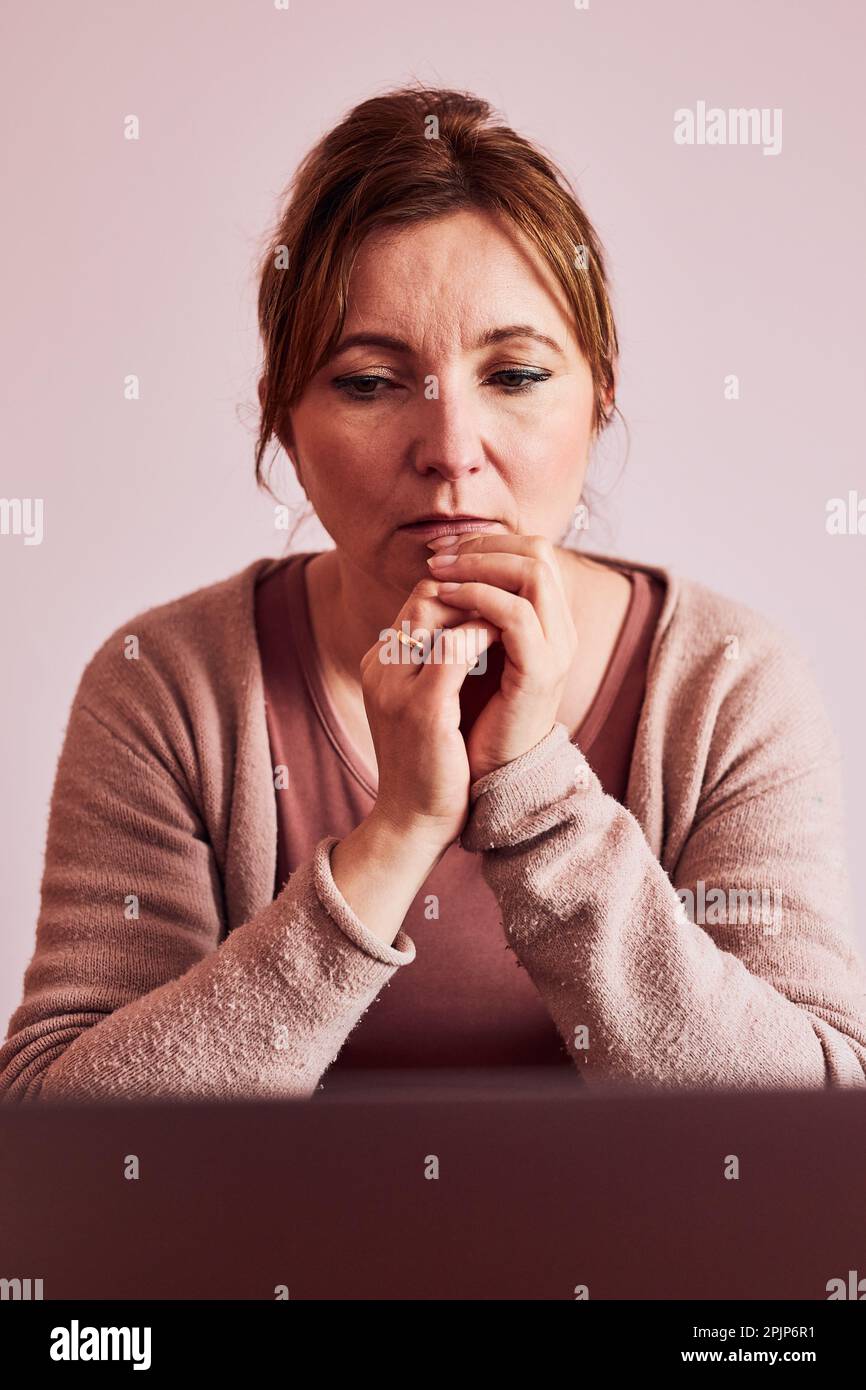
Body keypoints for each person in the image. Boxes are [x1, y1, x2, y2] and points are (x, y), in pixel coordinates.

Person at [2, 84, 865, 1104]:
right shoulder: (170, 684)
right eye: (367, 382)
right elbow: (64, 1143)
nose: (451, 453)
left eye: (514, 375)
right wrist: (396, 830)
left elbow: (812, 1133)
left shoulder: (723, 680)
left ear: (599, 396)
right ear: (285, 421)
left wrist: (535, 793)